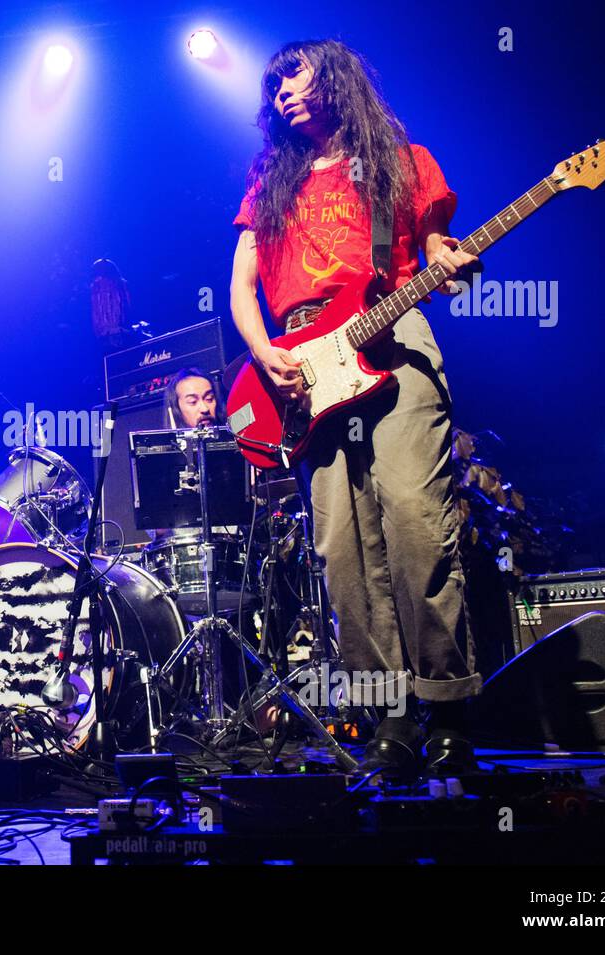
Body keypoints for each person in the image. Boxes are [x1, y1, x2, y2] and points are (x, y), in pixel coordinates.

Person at [228, 39, 481, 778]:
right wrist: (264, 352)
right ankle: (389, 717)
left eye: (294, 75)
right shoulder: (270, 181)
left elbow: (438, 257)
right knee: (342, 552)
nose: (281, 92)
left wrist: (450, 266)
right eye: (273, 86)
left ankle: (448, 710)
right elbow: (242, 285)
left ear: (336, 77)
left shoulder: (402, 160)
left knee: (416, 523)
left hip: (391, 341)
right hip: (304, 370)